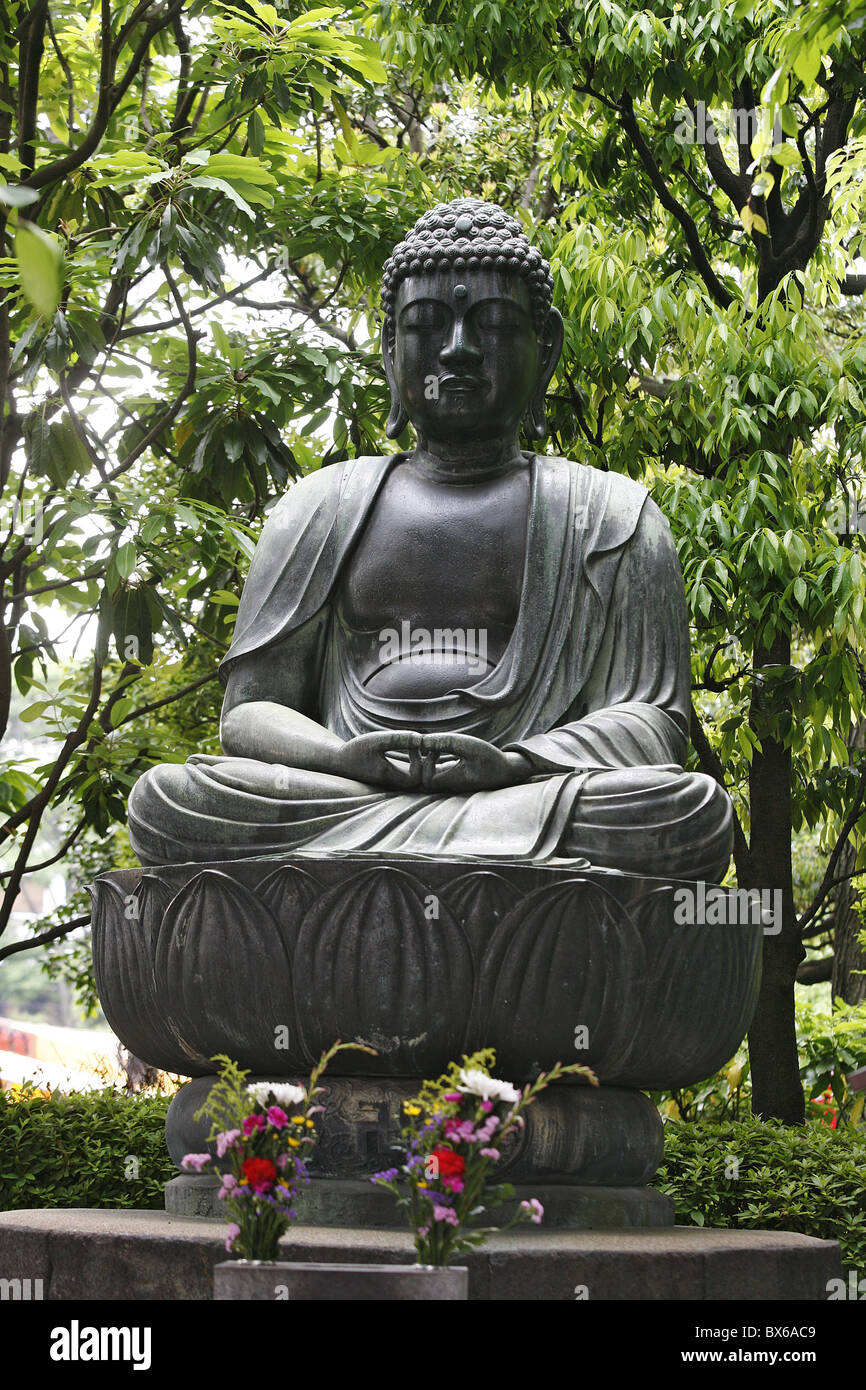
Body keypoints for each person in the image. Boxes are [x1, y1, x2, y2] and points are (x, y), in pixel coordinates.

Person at [128, 198, 732, 878]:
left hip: (523, 799)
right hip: (345, 795)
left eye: (495, 325)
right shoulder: (321, 507)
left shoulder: (613, 518)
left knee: (683, 810)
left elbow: (652, 726)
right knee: (169, 802)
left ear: (548, 348)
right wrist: (338, 757)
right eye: (427, 325)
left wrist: (514, 763)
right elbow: (248, 714)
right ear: (390, 348)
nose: (459, 349)